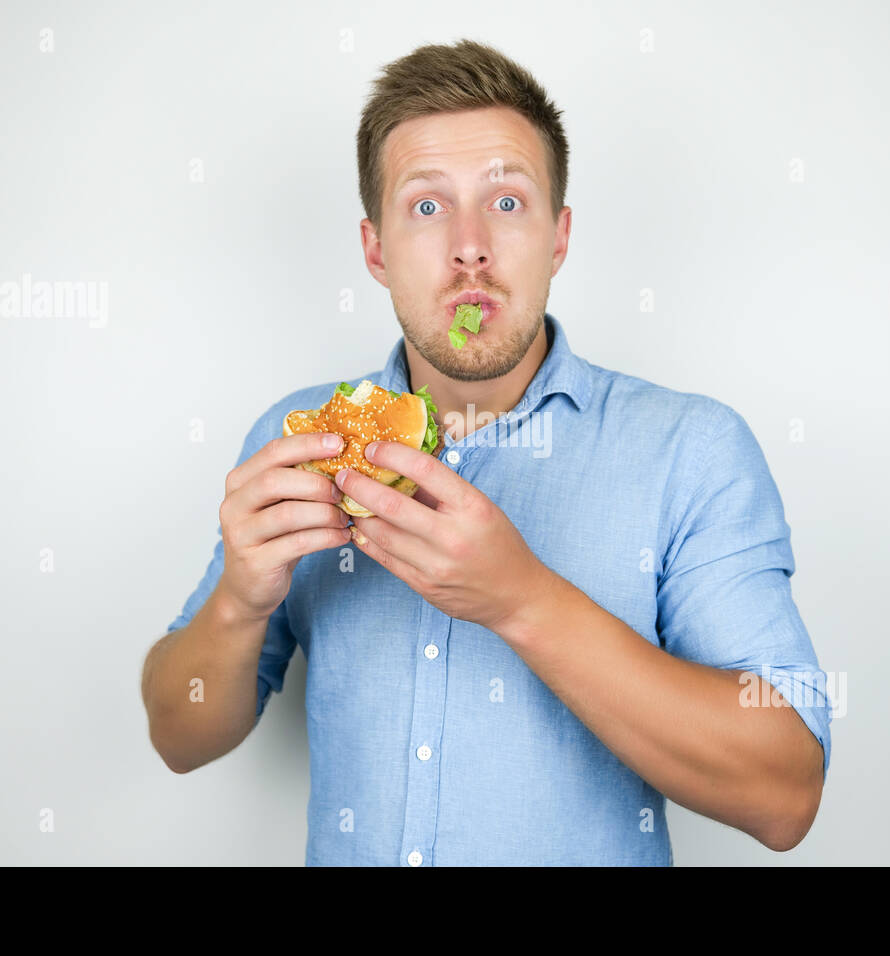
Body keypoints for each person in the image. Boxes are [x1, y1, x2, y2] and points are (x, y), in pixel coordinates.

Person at [141, 38, 831, 866]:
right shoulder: (298, 441)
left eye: (507, 203)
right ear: (375, 249)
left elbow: (786, 793)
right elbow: (179, 737)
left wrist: (521, 600)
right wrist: (237, 606)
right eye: (426, 208)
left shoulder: (692, 448)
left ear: (559, 236)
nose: (470, 247)